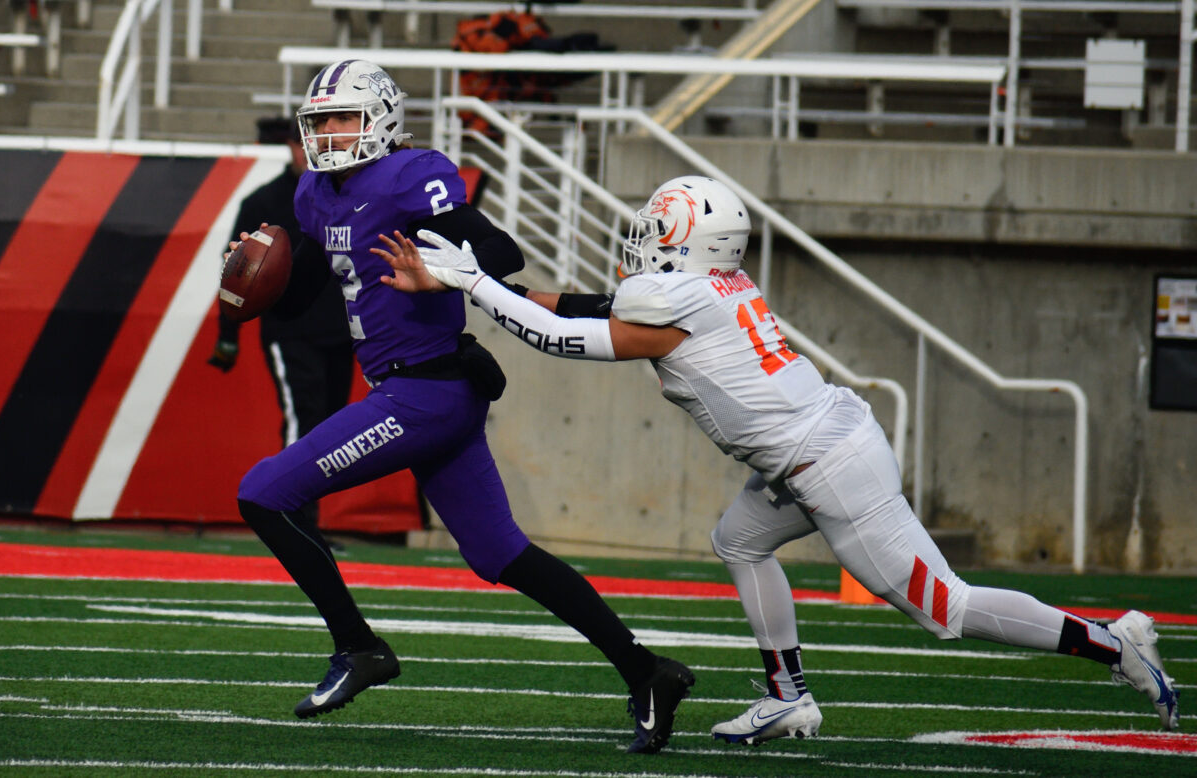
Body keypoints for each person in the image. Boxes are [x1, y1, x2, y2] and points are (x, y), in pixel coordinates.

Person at [374, 174, 1180, 745]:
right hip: (815, 445)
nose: (643, 239)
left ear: (687, 241)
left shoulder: (677, 304)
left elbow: (564, 339)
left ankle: (1115, 644)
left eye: (658, 229)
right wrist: (461, 287)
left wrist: (475, 284)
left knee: (944, 610)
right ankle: (788, 699)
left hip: (828, 464)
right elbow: (581, 306)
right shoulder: (705, 288)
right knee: (740, 539)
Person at [229, 59, 694, 755]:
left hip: (426, 392)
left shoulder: (410, 176)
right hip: (422, 390)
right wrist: (253, 274)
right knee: (499, 553)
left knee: (263, 492)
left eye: (343, 118)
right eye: (319, 121)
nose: (328, 134)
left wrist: (443, 266)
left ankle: (357, 647)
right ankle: (647, 671)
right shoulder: (312, 196)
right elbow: (306, 296)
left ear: (381, 120)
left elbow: (498, 250)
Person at [209, 116, 355, 537]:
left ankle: (305, 519)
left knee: (331, 425)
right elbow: (235, 275)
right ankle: (296, 521)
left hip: (339, 331)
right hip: (290, 331)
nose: (305, 151)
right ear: (290, 146)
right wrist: (228, 336)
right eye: (300, 142)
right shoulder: (263, 202)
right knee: (302, 420)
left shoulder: (342, 194)